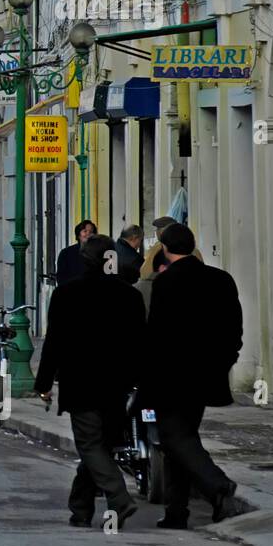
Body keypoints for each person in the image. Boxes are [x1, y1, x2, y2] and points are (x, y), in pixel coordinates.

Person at [34, 234, 143, 528]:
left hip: (80, 383)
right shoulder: (130, 296)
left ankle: (119, 498)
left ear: (84, 261)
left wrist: (43, 383)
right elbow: (139, 343)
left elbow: (54, 342)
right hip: (116, 385)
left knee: (91, 446)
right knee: (99, 446)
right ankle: (80, 508)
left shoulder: (67, 294)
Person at [142, 223, 242, 528]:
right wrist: (227, 359)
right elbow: (233, 327)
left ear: (166, 249)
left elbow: (157, 335)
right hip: (207, 376)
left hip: (172, 376)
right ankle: (176, 511)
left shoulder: (166, 282)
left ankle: (218, 486)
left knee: (175, 438)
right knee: (181, 440)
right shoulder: (221, 280)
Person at [55, 220, 96, 286]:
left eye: (91, 232)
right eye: (85, 231)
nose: (88, 234)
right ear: (78, 235)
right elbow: (61, 278)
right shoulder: (66, 253)